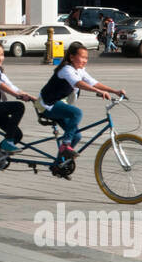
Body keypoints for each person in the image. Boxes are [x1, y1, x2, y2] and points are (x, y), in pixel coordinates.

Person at [39, 42, 126, 171]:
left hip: (58, 105)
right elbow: (78, 83)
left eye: (86, 58)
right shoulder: (66, 69)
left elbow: (93, 82)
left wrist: (115, 91)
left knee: (77, 136)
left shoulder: (79, 70)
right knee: (77, 113)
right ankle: (65, 144)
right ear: (72, 57)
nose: (85, 60)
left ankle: (58, 164)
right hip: (46, 105)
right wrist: (99, 92)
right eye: (82, 57)